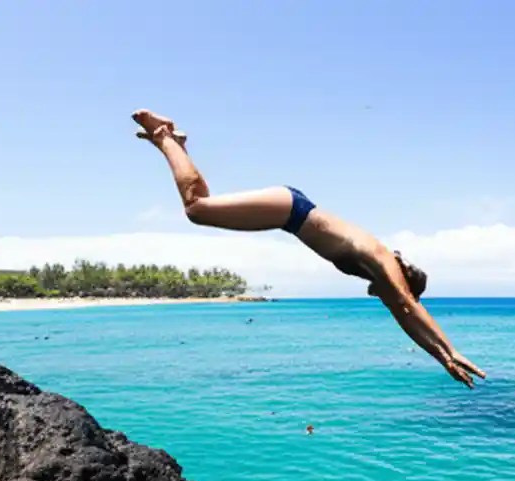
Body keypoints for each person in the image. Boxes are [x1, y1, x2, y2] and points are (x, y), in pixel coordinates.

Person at [133, 109, 486, 388]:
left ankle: (174, 142)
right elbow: (409, 308)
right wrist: (452, 350)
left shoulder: (379, 270)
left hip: (289, 214)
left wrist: (443, 360)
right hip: (290, 208)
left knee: (202, 207)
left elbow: (405, 318)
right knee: (197, 209)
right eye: (393, 292)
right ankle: (165, 137)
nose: (378, 295)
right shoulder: (382, 261)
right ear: (405, 280)